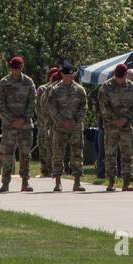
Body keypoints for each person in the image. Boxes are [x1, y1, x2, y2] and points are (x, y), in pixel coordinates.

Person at [0, 56, 38, 192]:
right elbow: (0, 104)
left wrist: (23, 119)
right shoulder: (4, 82)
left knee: (25, 154)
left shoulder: (28, 82)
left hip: (25, 124)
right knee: (7, 154)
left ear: (22, 68)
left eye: (17, 69)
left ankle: (25, 182)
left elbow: (32, 102)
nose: (15, 71)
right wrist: (12, 120)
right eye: (13, 69)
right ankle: (5, 182)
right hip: (9, 125)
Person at [98, 64, 133, 191]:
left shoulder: (132, 87)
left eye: (121, 77)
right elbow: (103, 107)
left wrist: (126, 119)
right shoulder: (106, 87)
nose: (119, 80)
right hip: (111, 127)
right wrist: (114, 120)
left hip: (127, 127)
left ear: (125, 76)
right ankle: (111, 182)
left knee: (127, 154)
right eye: (117, 77)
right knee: (110, 154)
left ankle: (126, 182)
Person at [50, 62, 88, 192]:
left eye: (72, 76)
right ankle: (58, 182)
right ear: (62, 75)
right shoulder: (55, 90)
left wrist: (76, 121)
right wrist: (62, 121)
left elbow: (84, 107)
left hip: (75, 127)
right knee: (58, 154)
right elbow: (52, 109)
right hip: (60, 128)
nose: (70, 78)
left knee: (77, 154)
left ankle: (77, 182)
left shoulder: (79, 90)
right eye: (67, 76)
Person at [36, 67, 61, 177]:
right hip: (44, 124)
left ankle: (57, 169)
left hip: (57, 124)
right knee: (44, 146)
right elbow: (38, 108)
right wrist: (45, 122)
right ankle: (45, 169)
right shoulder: (42, 89)